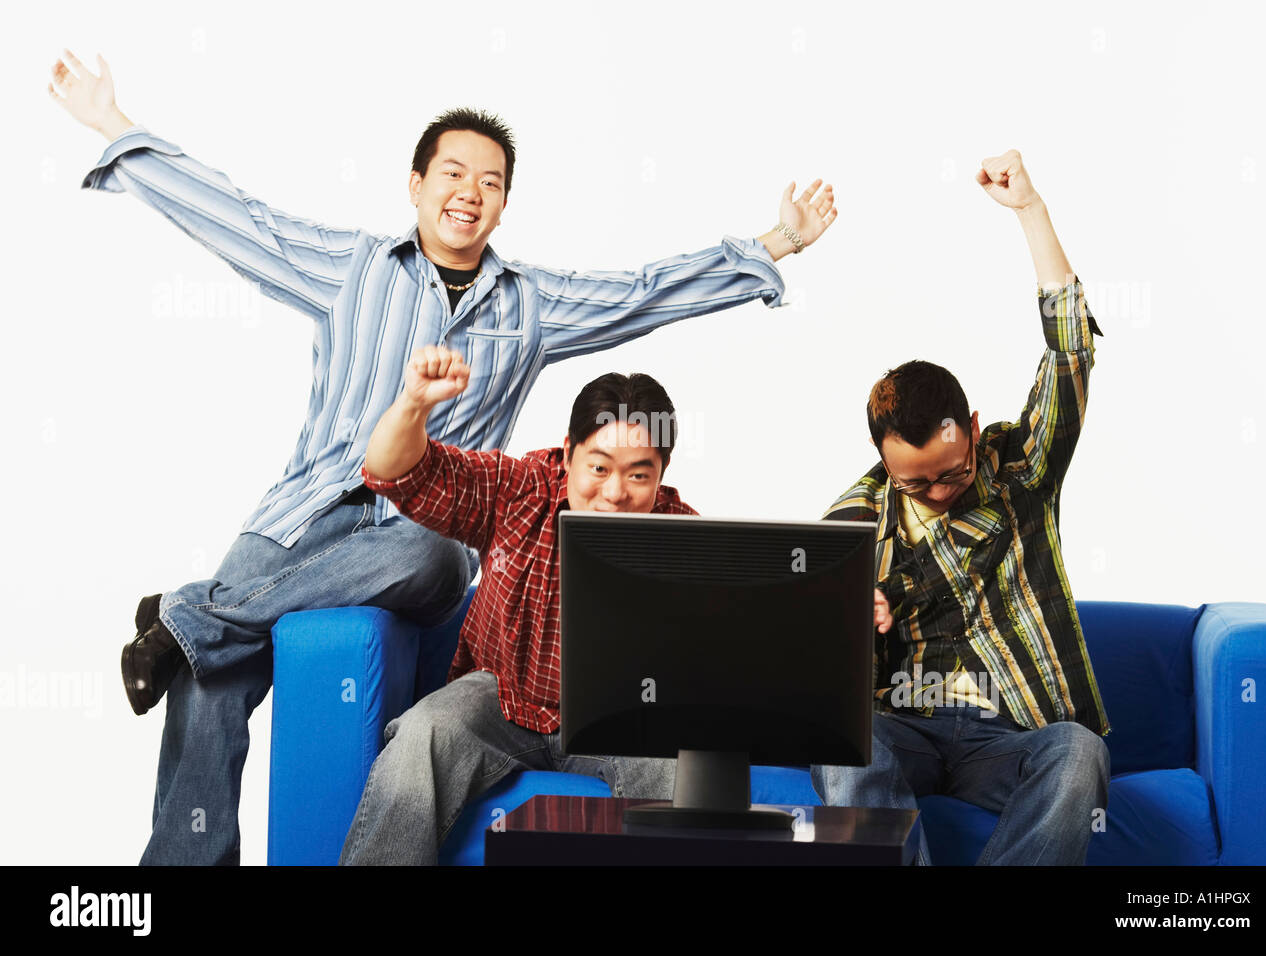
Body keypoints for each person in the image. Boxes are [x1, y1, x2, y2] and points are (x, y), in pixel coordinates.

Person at [47, 49, 837, 865]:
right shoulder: (351, 268)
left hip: (424, 531)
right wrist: (113, 123)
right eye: (453, 174)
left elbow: (642, 291)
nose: (471, 192)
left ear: (503, 205)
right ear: (417, 184)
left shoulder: (532, 305)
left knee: (420, 553)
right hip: (304, 514)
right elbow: (238, 217)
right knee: (205, 676)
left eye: (491, 182)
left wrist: (778, 241)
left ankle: (188, 613)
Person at [812, 150, 1110, 866]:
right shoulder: (853, 525)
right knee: (845, 743)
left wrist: (1031, 211)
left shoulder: (1020, 472)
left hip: (1009, 732)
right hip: (904, 726)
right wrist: (850, 619)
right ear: (885, 464)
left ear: (972, 430)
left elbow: (1070, 354)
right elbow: (804, 665)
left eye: (952, 473)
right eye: (915, 484)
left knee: (1078, 754)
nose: (939, 492)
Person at [338, 351, 691, 864]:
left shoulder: (683, 533)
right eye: (598, 467)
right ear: (568, 454)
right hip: (499, 697)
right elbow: (396, 473)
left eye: (640, 475)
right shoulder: (519, 491)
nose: (615, 493)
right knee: (423, 733)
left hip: (619, 719)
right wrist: (414, 403)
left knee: (675, 764)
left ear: (661, 475)